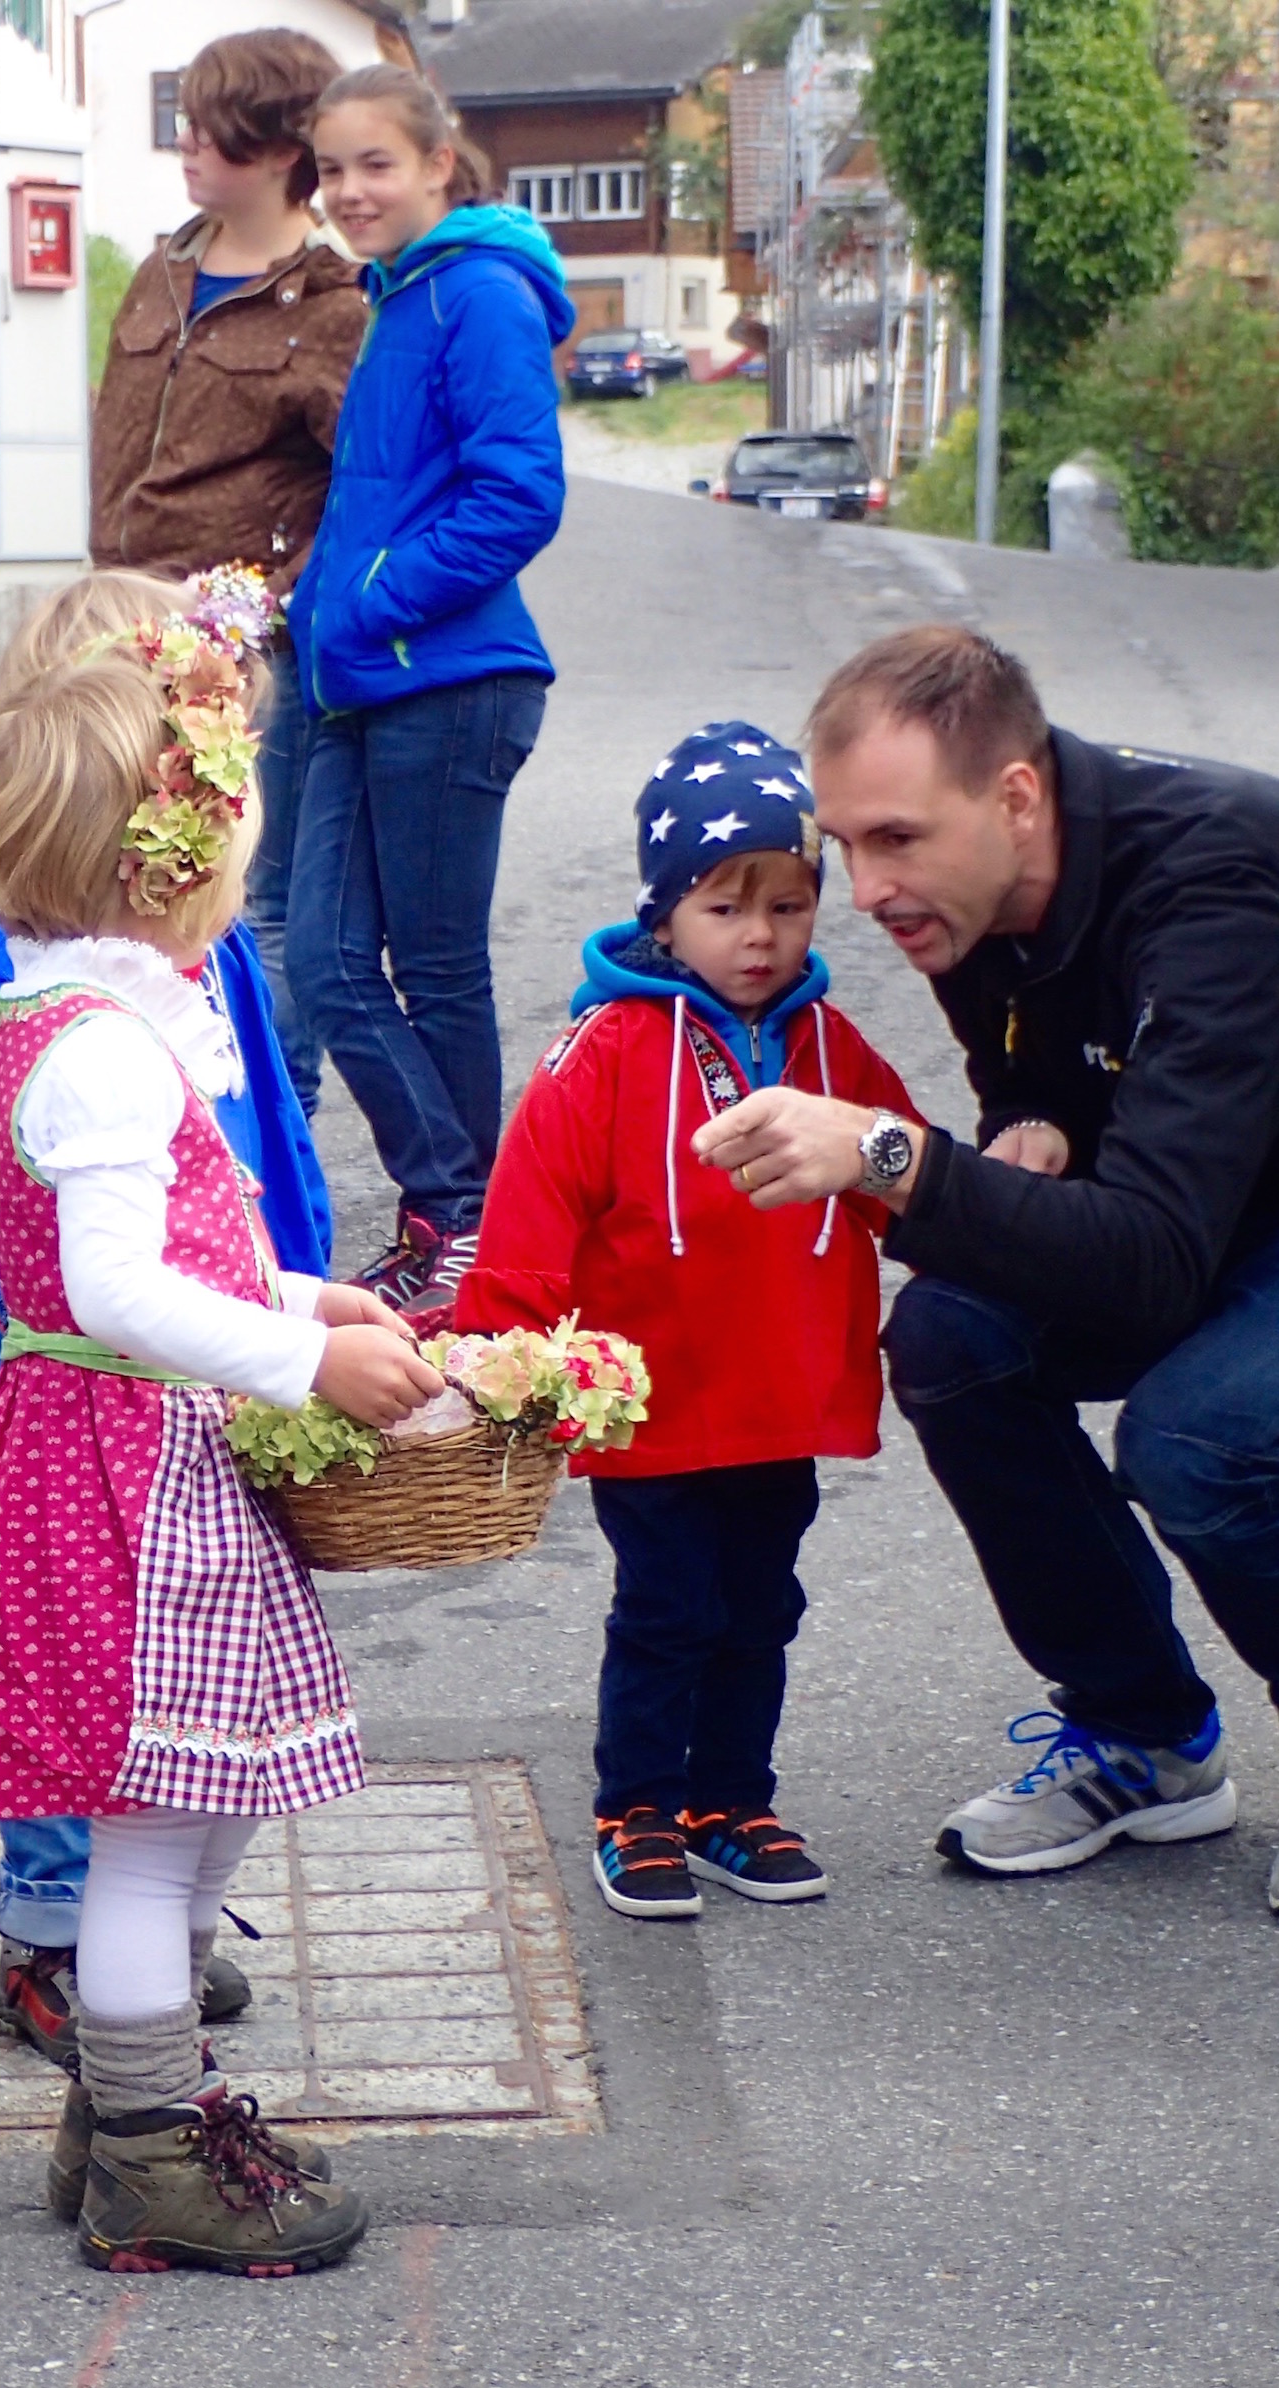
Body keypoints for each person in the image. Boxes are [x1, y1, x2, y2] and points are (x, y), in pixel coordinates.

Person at [691, 625, 1279, 1923]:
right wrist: (1033, 1124)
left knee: (1199, 1434)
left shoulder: (1217, 893)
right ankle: (1146, 1735)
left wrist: (892, 1157)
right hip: (1241, 1193)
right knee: (956, 1341)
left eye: (897, 836)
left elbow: (1150, 1263)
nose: (868, 884)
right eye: (844, 844)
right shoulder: (984, 899)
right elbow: (1040, 1075)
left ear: (1015, 796)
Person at [0, 607, 440, 2275]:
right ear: (166, 867)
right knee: (156, 1835)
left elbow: (183, 1252)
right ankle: (152, 2151)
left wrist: (318, 1298)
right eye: (234, 827)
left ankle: (128, 2105)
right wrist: (305, 1356)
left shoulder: (106, 1021)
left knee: (191, 1815)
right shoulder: (95, 1052)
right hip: (124, 1479)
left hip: (139, 1462)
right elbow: (114, 1288)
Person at [0, 568, 334, 2065]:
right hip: (113, 1416)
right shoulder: (70, 1017)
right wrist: (292, 1341)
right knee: (123, 1768)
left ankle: (126, 2037)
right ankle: (108, 2037)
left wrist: (292, 1278)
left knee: (172, 1777)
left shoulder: (154, 987)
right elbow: (77, 1247)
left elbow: (234, 1151)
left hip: (174, 1392)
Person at [458, 725, 920, 1920]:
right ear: (663, 916)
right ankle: (637, 1807)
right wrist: (487, 1361)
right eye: (724, 906)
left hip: (781, 1399)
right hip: (655, 1405)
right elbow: (528, 1211)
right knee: (667, 1609)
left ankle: (731, 1801)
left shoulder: (833, 1049)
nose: (759, 935)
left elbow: (904, 1177)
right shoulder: (603, 1050)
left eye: (788, 904)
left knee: (762, 1604)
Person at [286, 64, 572, 1331]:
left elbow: (520, 495)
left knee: (437, 971)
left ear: (438, 166)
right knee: (328, 962)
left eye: (374, 165)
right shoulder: (396, 297)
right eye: (331, 170)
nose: (349, 191)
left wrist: (367, 600)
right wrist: (312, 616)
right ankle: (456, 1216)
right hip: (359, 685)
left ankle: (466, 1233)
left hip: (451, 683)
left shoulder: (480, 295)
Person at [88, 27, 366, 1112]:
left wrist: (287, 600)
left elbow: (364, 483)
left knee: (256, 893)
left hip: (245, 648)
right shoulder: (159, 268)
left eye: (219, 129)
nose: (189, 143)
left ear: (283, 147)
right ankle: (153, 1110)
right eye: (187, 121)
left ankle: (266, 1121)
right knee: (118, 878)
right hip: (123, 624)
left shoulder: (337, 303)